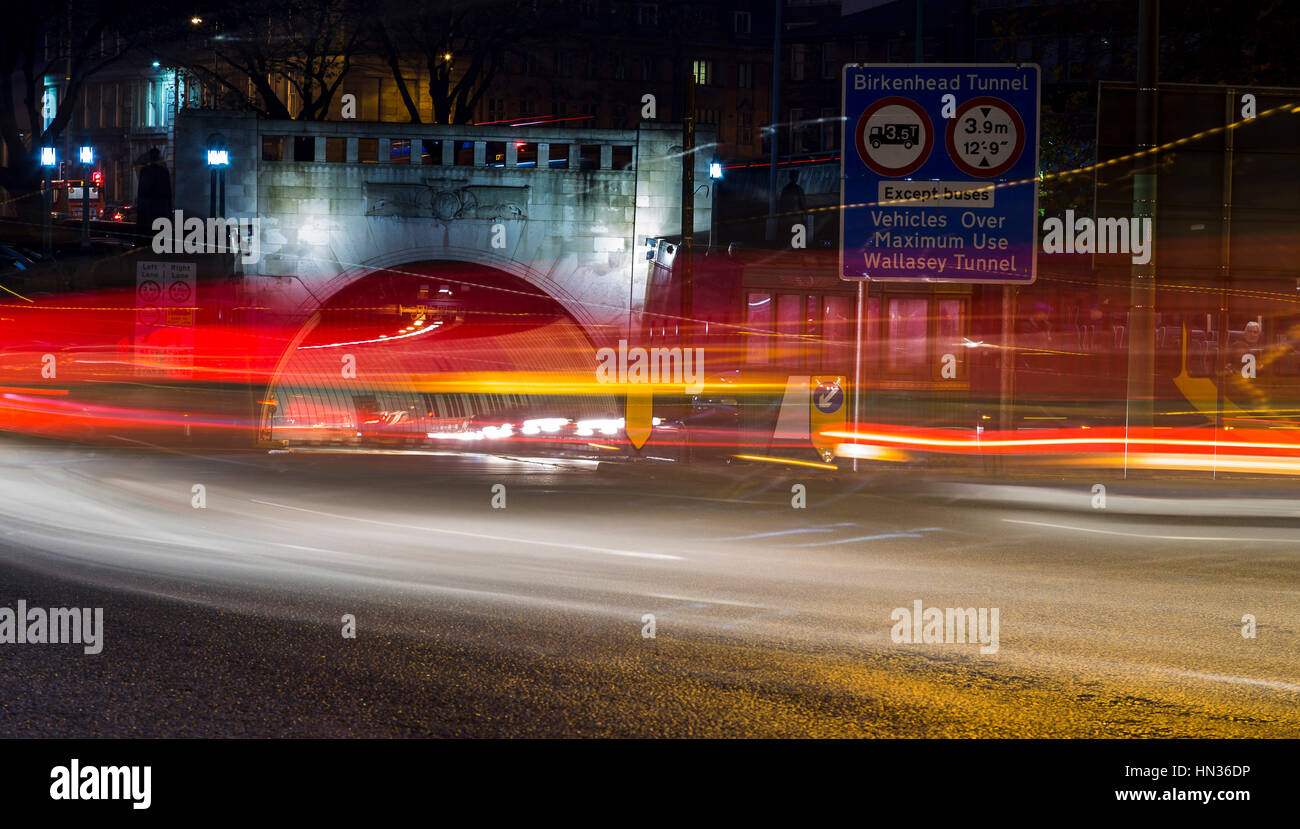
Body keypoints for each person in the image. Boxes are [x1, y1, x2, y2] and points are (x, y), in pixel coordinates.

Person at [136, 147, 172, 241]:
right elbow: (168, 192)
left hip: (148, 209)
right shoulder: (164, 171)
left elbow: (141, 191)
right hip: (160, 207)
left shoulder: (145, 171)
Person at [777, 171, 808, 235]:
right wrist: (805, 214)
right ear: (796, 178)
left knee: (787, 235)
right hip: (796, 217)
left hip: (787, 217)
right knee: (796, 236)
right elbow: (803, 204)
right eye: (796, 176)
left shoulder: (785, 189)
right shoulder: (799, 189)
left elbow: (781, 205)